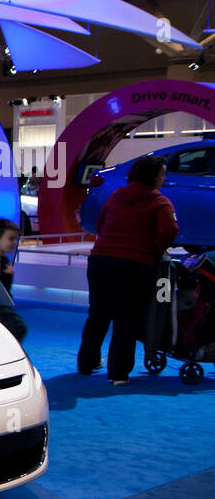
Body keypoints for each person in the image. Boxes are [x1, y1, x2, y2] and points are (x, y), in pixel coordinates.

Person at [76, 155, 178, 385]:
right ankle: (118, 374)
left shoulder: (115, 196)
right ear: (153, 177)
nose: (163, 179)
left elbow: (101, 224)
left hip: (100, 260)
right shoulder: (160, 202)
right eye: (162, 174)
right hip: (134, 264)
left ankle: (86, 363)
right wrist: (155, 250)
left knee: (98, 315)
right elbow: (169, 230)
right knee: (126, 320)